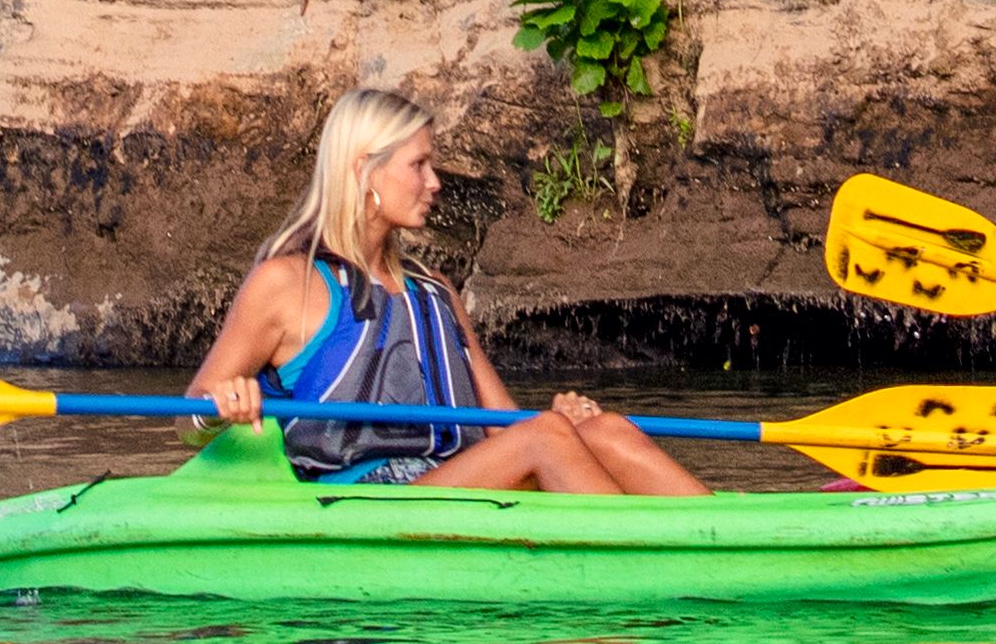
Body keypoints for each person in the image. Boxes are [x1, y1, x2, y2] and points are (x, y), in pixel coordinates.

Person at [189, 90, 699, 492]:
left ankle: (731, 530)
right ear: (364, 169)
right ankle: (647, 562)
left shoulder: (434, 290)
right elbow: (190, 414)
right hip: (361, 498)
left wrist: (562, 422)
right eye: (418, 165)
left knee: (600, 431)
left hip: (457, 480)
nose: (434, 183)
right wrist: (224, 403)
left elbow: (502, 428)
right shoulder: (286, 283)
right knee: (546, 438)